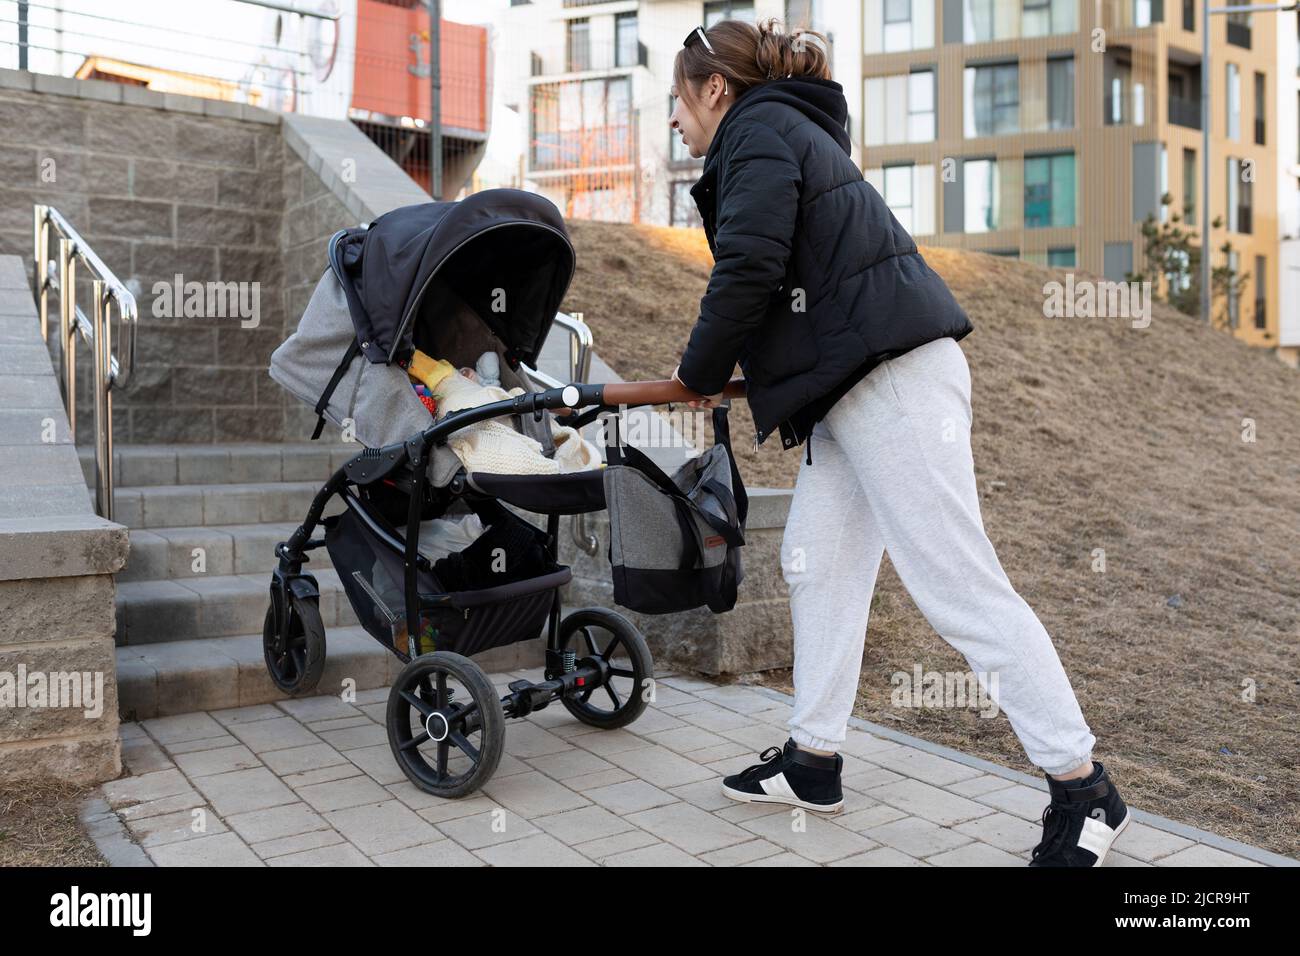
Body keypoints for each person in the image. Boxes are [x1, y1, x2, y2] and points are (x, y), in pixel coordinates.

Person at [667, 18, 1129, 867]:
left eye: (678, 100)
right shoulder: (781, 130)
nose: (675, 121)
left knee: (958, 582)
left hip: (893, 382)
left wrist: (695, 372)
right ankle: (813, 761)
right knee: (816, 561)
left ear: (715, 90)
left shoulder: (760, 129)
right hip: (854, 388)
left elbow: (751, 264)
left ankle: (1084, 788)